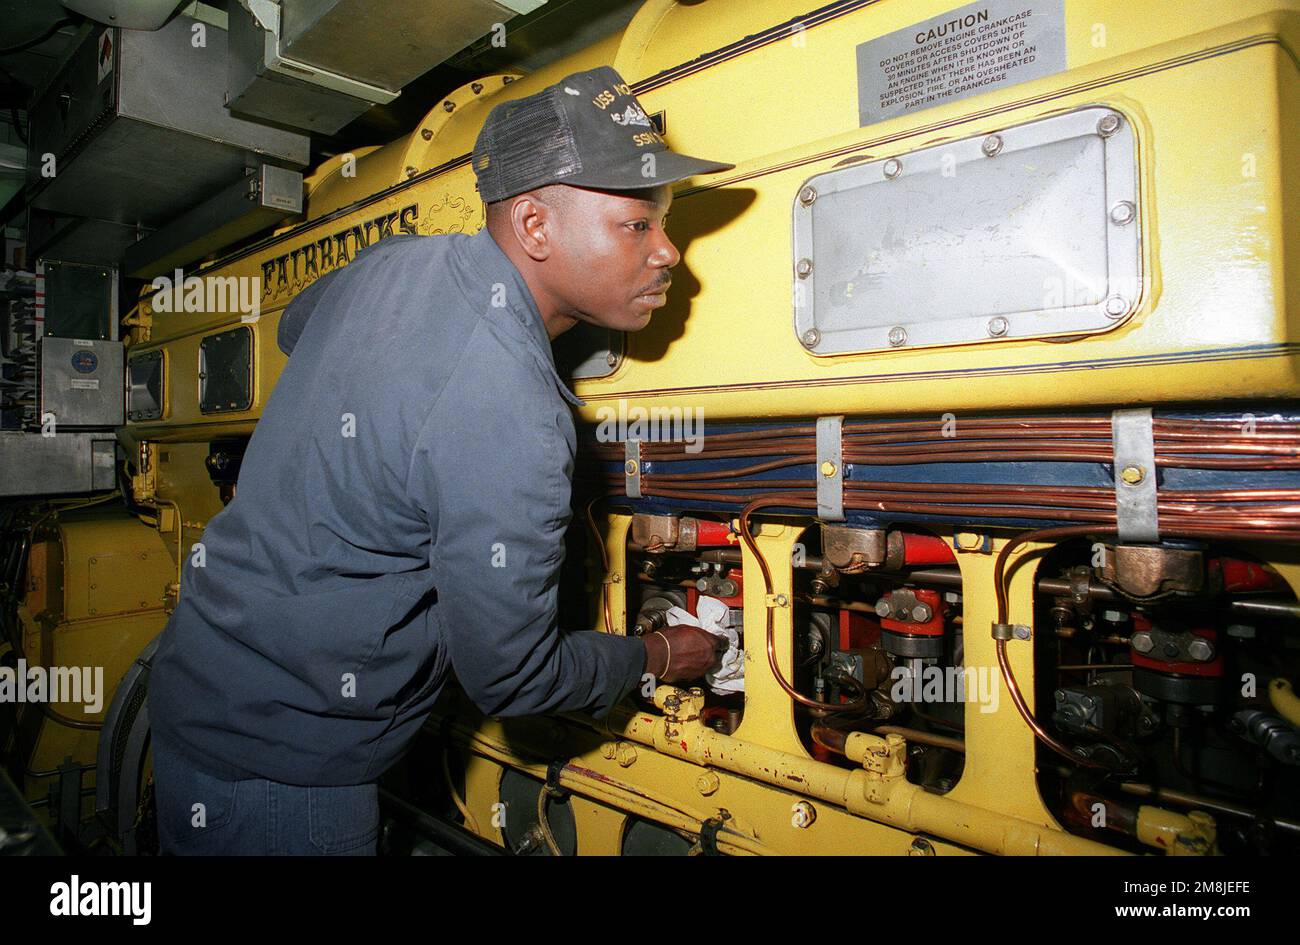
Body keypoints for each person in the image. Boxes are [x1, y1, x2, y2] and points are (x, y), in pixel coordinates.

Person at [146, 66, 735, 855]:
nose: (669, 253)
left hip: (200, 686)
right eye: (638, 225)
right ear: (534, 226)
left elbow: (297, 329)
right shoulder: (515, 410)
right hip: (289, 775)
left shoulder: (395, 260)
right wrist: (660, 652)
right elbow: (516, 680)